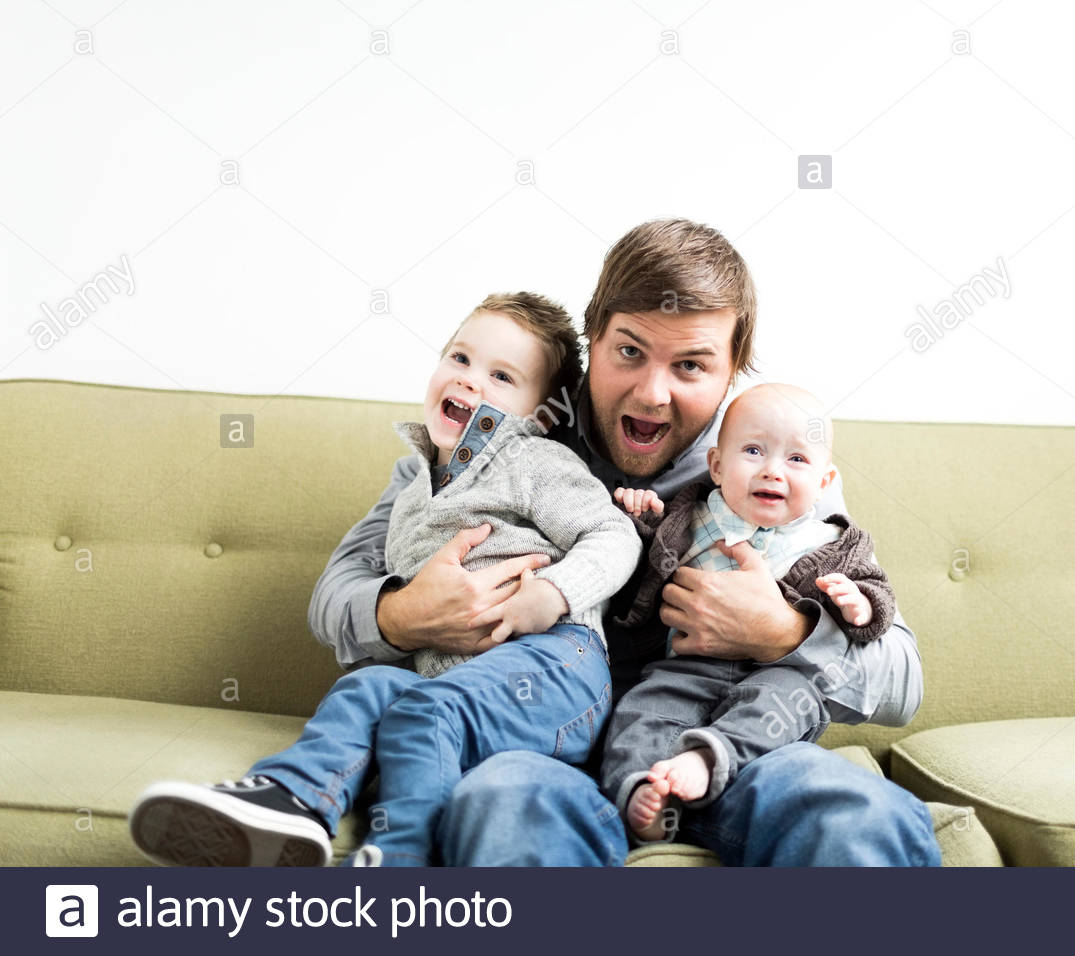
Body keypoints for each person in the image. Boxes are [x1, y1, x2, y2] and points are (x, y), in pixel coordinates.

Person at [313, 219, 940, 866]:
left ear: (732, 376)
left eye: (691, 365)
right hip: (536, 753)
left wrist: (783, 631)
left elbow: (901, 682)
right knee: (503, 802)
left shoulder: (768, 468)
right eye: (630, 352)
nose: (652, 393)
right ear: (594, 340)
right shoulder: (504, 431)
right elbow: (336, 592)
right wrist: (403, 612)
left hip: (717, 752)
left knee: (855, 808)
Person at [128, 293, 641, 866]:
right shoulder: (413, 483)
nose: (470, 381)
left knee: (427, 711)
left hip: (553, 664)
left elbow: (615, 535)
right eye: (460, 358)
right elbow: (338, 592)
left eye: (501, 376)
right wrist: (403, 612)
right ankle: (293, 801)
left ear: (538, 416)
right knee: (364, 690)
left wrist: (553, 594)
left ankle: (399, 856)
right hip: (451, 679)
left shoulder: (535, 463)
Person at [603, 382, 896, 842]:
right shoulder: (691, 514)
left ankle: (709, 757)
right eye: (754, 451)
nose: (773, 472)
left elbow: (876, 591)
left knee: (788, 704)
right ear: (717, 466)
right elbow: (645, 566)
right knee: (642, 710)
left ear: (824, 482)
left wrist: (860, 604)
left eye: (797, 459)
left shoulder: (834, 542)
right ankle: (643, 787)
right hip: (685, 668)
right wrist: (640, 519)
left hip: (775, 674)